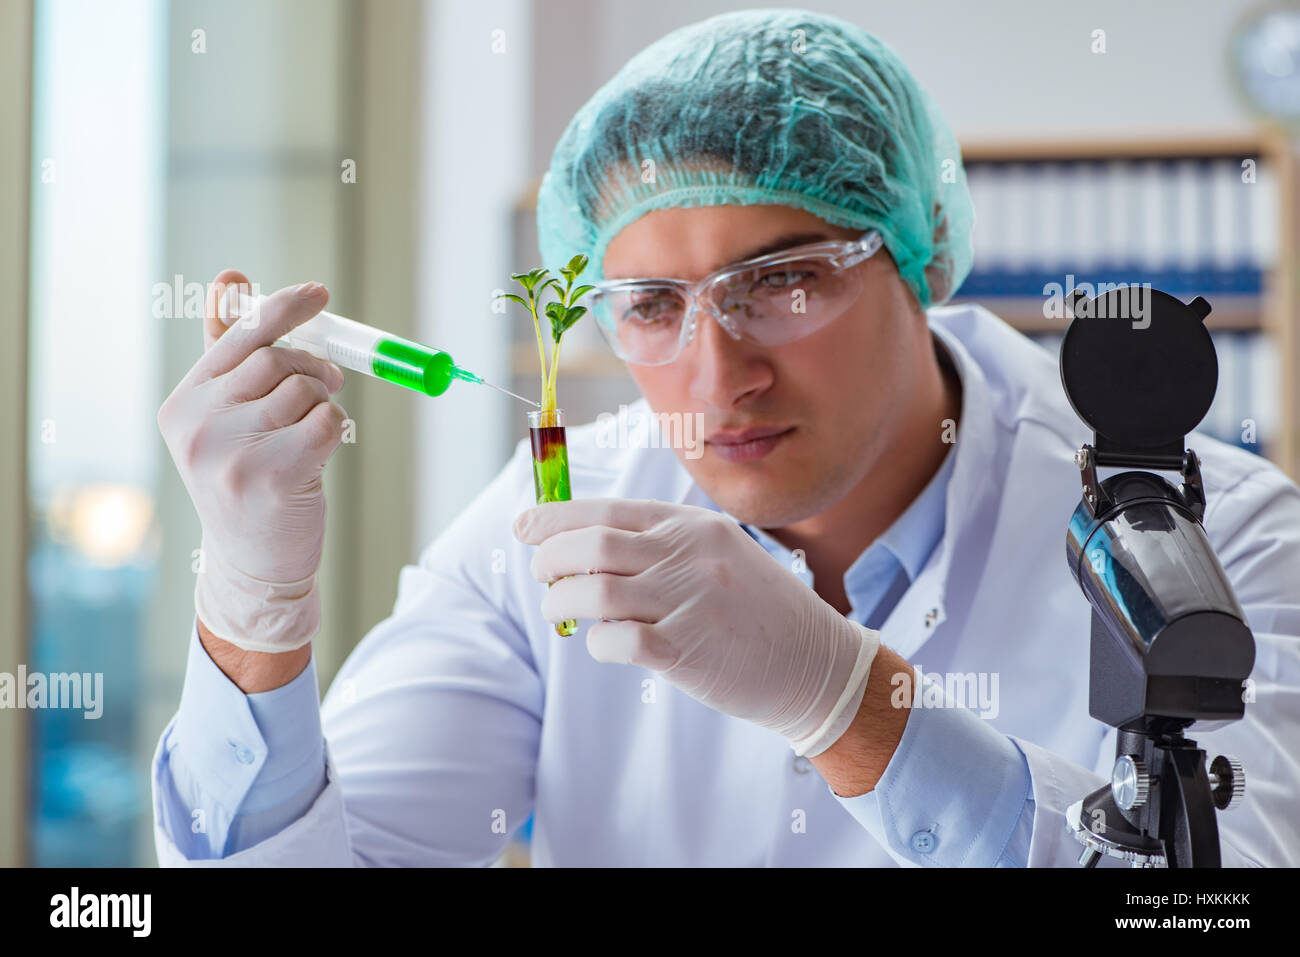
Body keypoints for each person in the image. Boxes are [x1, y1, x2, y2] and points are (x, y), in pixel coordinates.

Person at [151, 8, 1300, 866]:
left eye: (785, 281)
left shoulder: (1218, 541)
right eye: (650, 306)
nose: (717, 375)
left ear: (916, 255)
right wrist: (254, 618)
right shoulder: (551, 515)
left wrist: (852, 704)